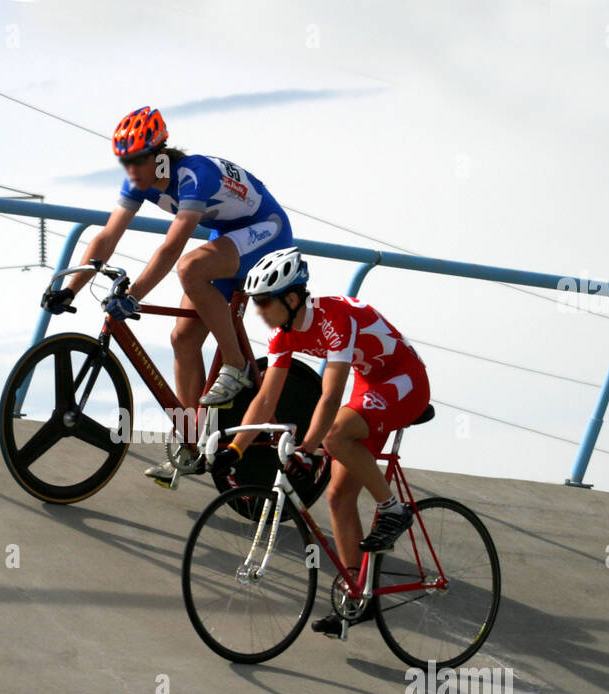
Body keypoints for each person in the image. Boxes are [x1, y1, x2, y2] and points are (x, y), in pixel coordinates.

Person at [41, 106, 296, 483]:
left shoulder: (194, 175)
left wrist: (134, 295)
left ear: (160, 155)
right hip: (227, 238)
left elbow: (172, 247)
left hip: (266, 231)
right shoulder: (137, 183)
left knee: (190, 267)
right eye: (125, 162)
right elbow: (107, 236)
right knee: (181, 339)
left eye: (138, 160)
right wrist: (69, 288)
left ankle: (236, 364)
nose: (132, 170)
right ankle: (189, 445)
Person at [210, 247, 431, 638]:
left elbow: (329, 396)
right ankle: (357, 599)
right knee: (338, 497)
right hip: (371, 386)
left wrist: (308, 450)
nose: (259, 311)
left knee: (334, 433)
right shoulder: (284, 334)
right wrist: (235, 450)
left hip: (404, 381)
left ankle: (393, 510)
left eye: (264, 302)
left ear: (292, 299)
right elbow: (265, 400)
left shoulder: (334, 319)